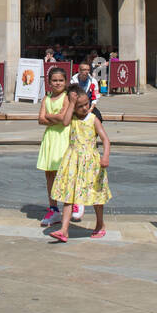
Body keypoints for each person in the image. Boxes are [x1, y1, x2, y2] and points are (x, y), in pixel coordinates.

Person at [47, 92, 111, 242]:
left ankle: (100, 224)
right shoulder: (73, 119)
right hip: (73, 160)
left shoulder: (93, 119)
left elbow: (105, 139)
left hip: (91, 162)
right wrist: (71, 103)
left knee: (95, 194)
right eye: (79, 106)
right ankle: (64, 230)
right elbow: (64, 122)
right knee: (68, 194)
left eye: (86, 104)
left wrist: (105, 156)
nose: (84, 108)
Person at [36, 66, 74, 227]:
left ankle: (69, 204)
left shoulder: (67, 97)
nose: (57, 83)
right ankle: (53, 208)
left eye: (60, 80)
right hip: (50, 138)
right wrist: (55, 117)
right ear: (49, 82)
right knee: (49, 173)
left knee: (63, 172)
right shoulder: (46, 98)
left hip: (63, 137)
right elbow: (40, 119)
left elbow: (64, 117)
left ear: (66, 82)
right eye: (54, 80)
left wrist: (49, 116)